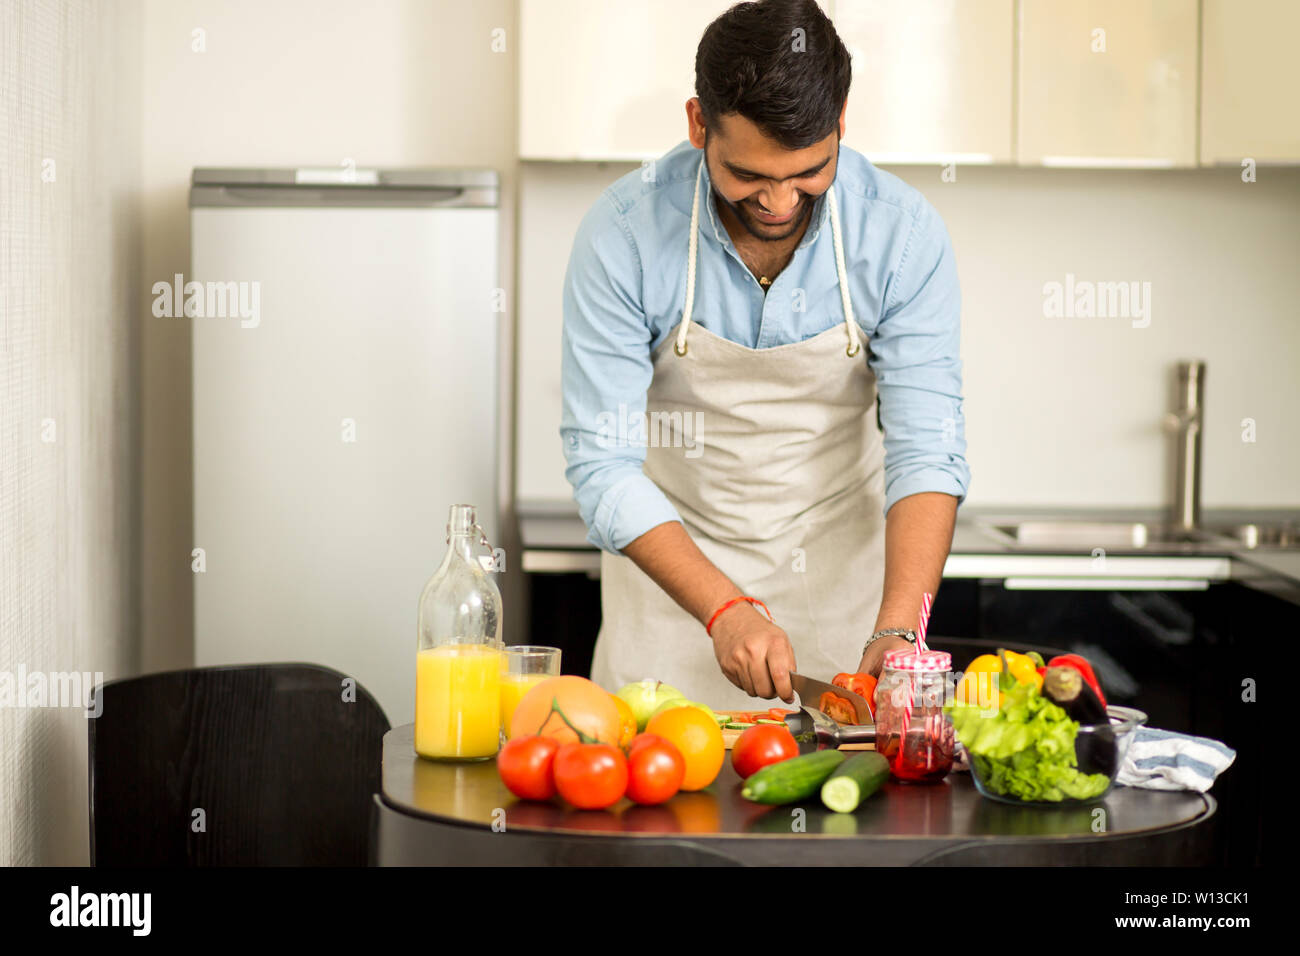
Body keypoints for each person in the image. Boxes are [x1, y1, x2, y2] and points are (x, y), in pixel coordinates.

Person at [560, 0, 969, 710]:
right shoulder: (622, 234)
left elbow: (927, 448)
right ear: (698, 125)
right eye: (749, 174)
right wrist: (723, 608)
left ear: (841, 123)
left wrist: (901, 629)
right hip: (669, 612)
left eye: (808, 171)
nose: (779, 201)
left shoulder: (901, 235)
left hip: (840, 609)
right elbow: (602, 463)